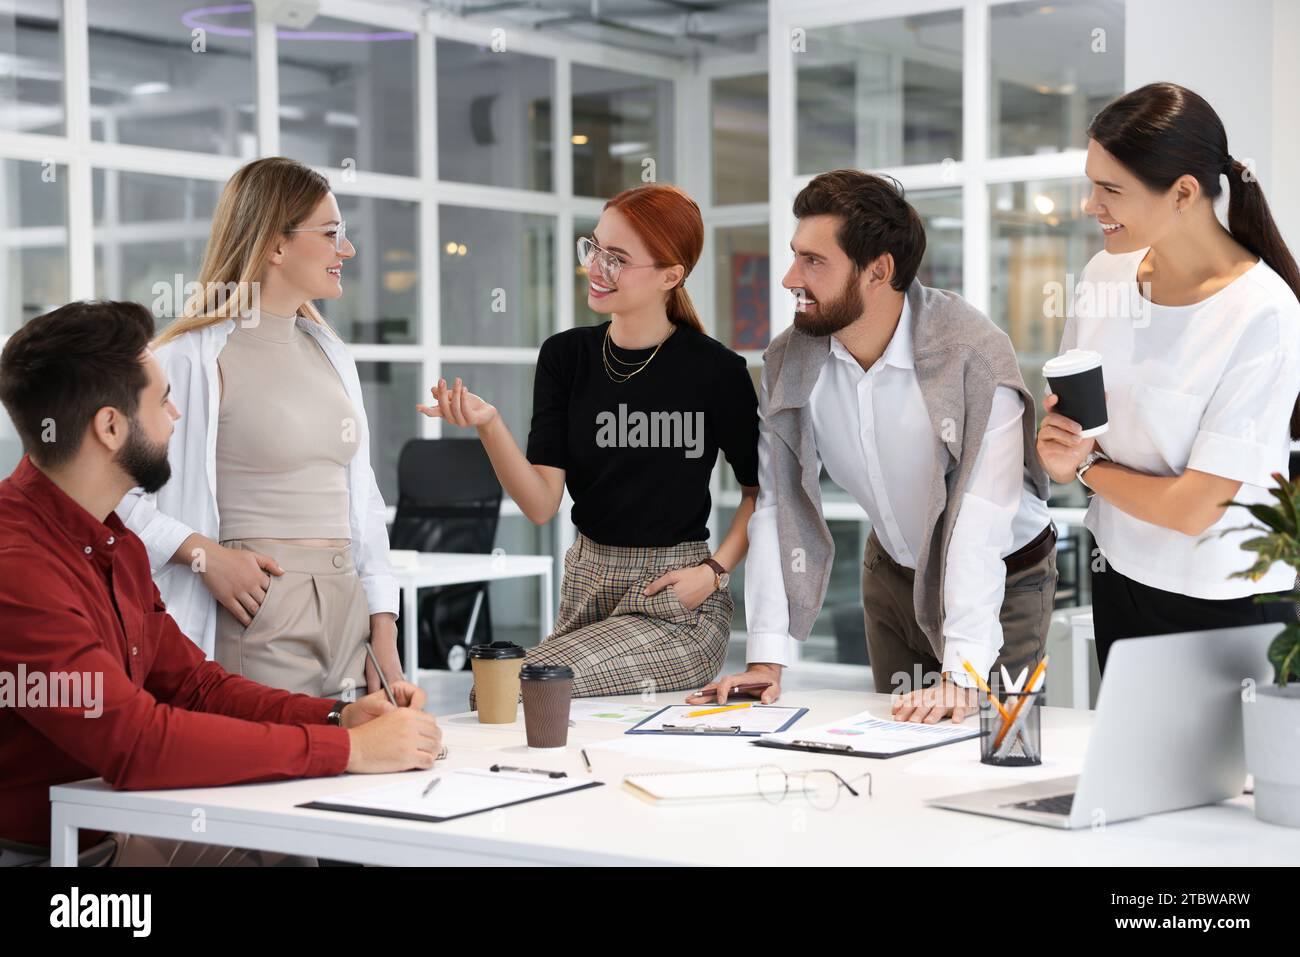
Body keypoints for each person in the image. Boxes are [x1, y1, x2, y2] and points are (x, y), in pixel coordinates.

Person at [0, 300, 441, 867]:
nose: (177, 415)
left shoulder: (114, 541)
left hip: (111, 827)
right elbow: (138, 744)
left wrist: (336, 717)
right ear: (110, 428)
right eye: (161, 401)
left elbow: (195, 688)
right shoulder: (19, 566)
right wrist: (349, 750)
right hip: (51, 856)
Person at [697, 170, 1057, 723]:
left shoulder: (971, 358)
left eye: (814, 261)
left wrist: (962, 676)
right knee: (896, 744)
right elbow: (777, 503)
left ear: (878, 271)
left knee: (992, 747)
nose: (790, 277)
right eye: (795, 256)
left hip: (1002, 578)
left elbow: (977, 518)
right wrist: (766, 659)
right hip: (893, 572)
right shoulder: (790, 362)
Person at [419, 184, 760, 700]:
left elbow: (763, 493)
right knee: (517, 698)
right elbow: (540, 504)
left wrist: (713, 573)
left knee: (507, 688)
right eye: (594, 248)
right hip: (585, 586)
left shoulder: (717, 372)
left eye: (618, 258)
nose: (597, 267)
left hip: (675, 602)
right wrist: (490, 424)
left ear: (672, 275)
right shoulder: (565, 357)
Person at [1037, 82, 1300, 672]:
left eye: (1110, 189)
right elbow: (1081, 421)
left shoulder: (1263, 312)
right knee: (1133, 762)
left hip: (1224, 597)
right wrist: (1061, 444)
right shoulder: (1105, 275)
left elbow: (1195, 507)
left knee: (1232, 769)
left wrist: (1085, 466)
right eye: (1091, 184)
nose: (1090, 205)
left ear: (1183, 193)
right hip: (1119, 574)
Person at [116, 157, 401, 697]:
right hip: (260, 609)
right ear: (275, 245)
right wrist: (203, 553)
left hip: (349, 610)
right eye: (332, 233)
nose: (348, 250)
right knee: (282, 771)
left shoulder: (331, 353)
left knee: (364, 773)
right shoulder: (185, 359)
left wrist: (382, 628)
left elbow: (362, 499)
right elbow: (117, 497)